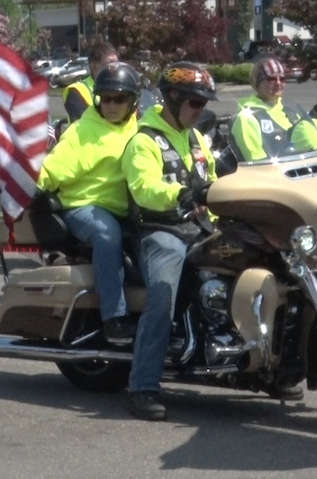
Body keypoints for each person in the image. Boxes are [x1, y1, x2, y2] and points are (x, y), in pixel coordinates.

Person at [121, 62, 219, 421]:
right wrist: (182, 194)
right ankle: (142, 385)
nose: (201, 110)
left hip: (202, 228)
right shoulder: (144, 140)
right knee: (162, 295)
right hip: (161, 232)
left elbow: (212, 179)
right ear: (173, 97)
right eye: (195, 102)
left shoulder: (195, 138)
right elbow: (145, 190)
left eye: (204, 103)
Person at [37, 63, 141, 345]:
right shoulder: (82, 131)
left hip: (127, 208)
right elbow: (54, 166)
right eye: (105, 98)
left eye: (119, 99)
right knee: (107, 236)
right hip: (84, 205)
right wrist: (31, 186)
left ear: (133, 101)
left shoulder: (139, 130)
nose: (111, 104)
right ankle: (114, 319)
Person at [229, 55, 317, 160]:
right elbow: (256, 162)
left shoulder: (293, 110)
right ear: (257, 82)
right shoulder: (247, 118)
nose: (278, 83)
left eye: (282, 79)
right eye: (271, 79)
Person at [64, 43, 120, 122]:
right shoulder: (77, 91)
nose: (115, 68)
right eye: (109, 64)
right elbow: (83, 124)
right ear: (93, 66)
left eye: (117, 64)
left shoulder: (121, 89)